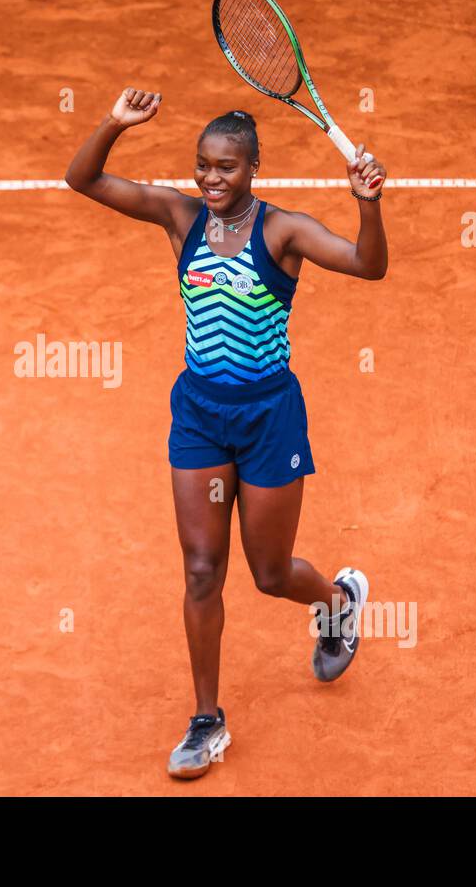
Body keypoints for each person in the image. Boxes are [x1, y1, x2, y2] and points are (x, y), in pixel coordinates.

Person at [64, 87, 388, 779]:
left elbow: (368, 265)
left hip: (269, 419)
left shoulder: (284, 233)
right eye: (203, 164)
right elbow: (82, 180)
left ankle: (336, 601)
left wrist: (367, 201)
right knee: (203, 569)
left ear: (254, 169)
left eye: (227, 167)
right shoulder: (178, 216)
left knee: (270, 574)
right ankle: (207, 719)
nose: (211, 178)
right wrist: (113, 124)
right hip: (201, 418)